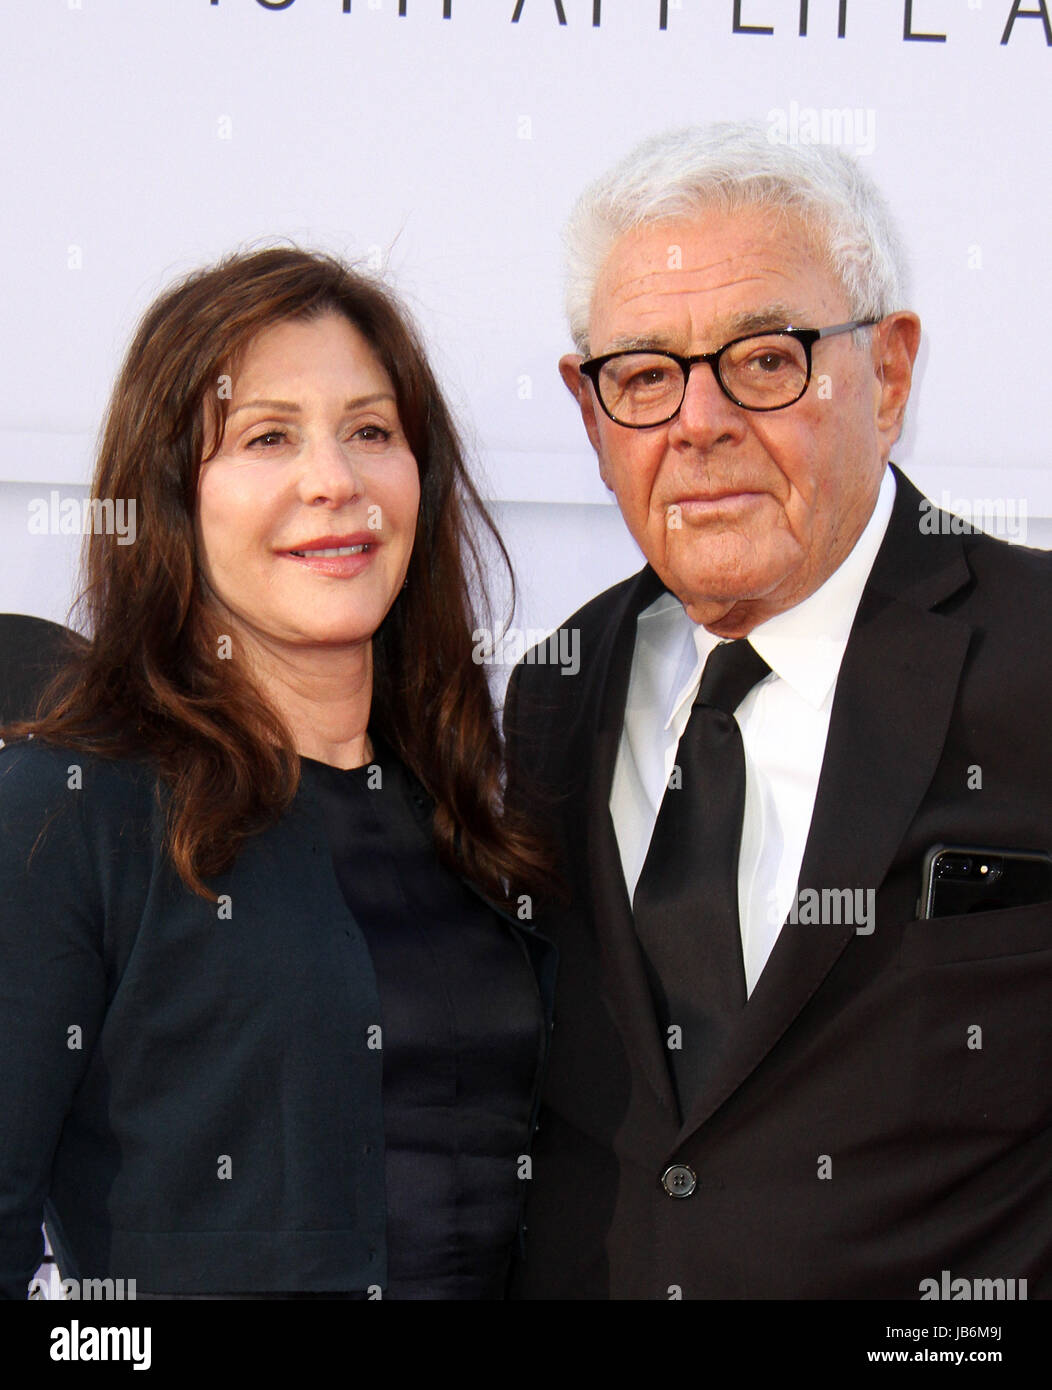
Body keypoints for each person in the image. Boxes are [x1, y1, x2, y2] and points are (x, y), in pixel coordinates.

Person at [505, 124, 1052, 1300]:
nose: (697, 422)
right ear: (590, 411)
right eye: (644, 376)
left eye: (763, 358)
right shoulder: (551, 690)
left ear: (888, 372)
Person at [0, 247, 554, 1300]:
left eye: (370, 432)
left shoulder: (478, 818)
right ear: (171, 494)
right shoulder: (69, 812)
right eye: (267, 437)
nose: (332, 482)